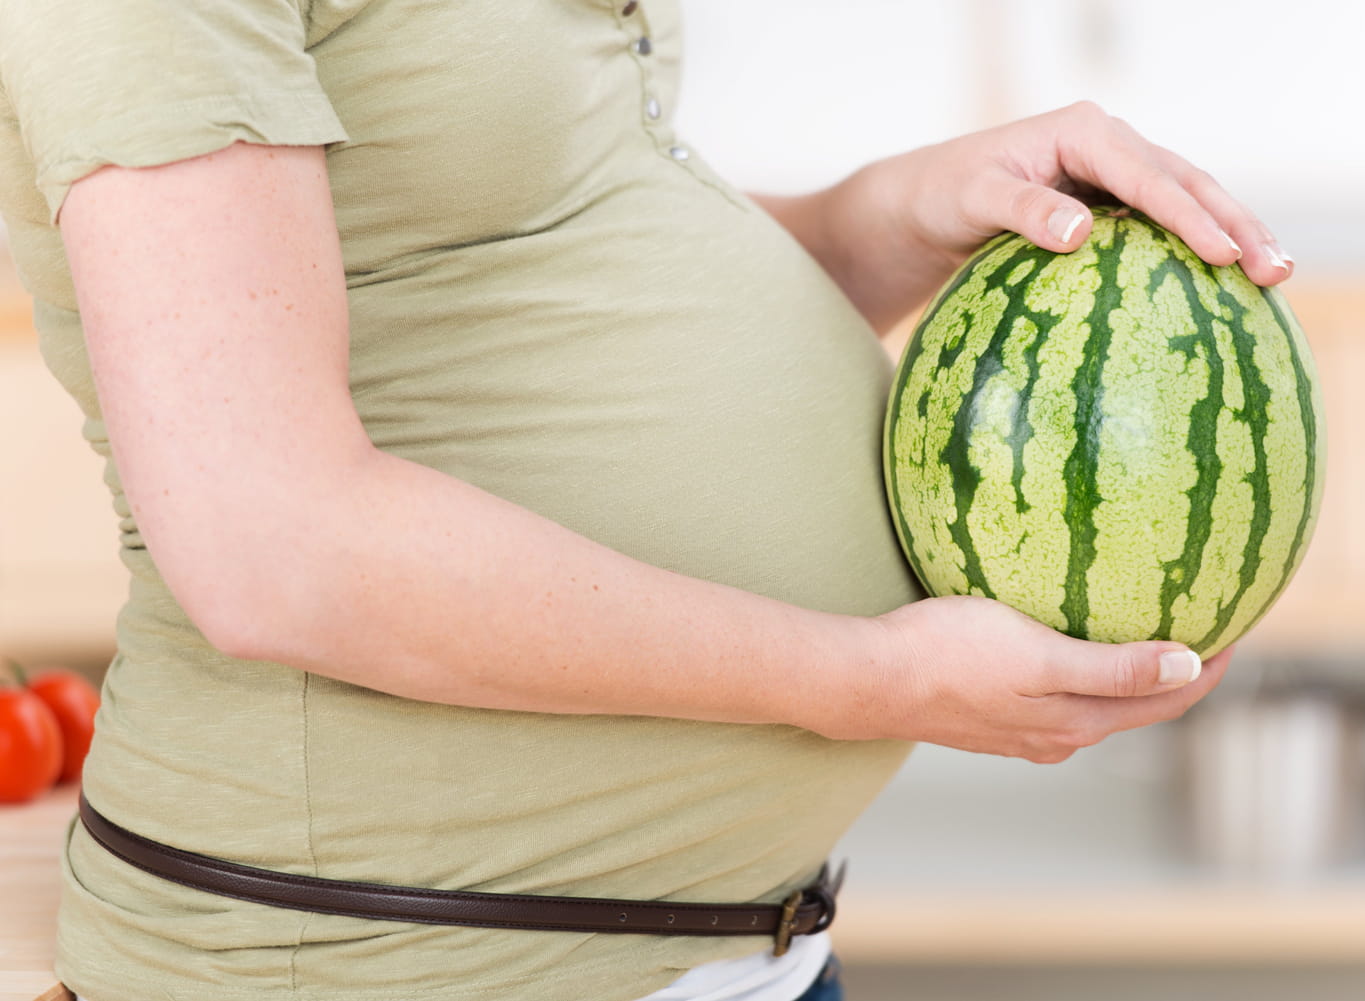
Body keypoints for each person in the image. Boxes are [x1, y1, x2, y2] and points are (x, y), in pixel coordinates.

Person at [0, 2, 1289, 1000]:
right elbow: (275, 547)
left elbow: (531, 275)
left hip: (741, 950)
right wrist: (869, 679)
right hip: (386, 959)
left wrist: (883, 217)